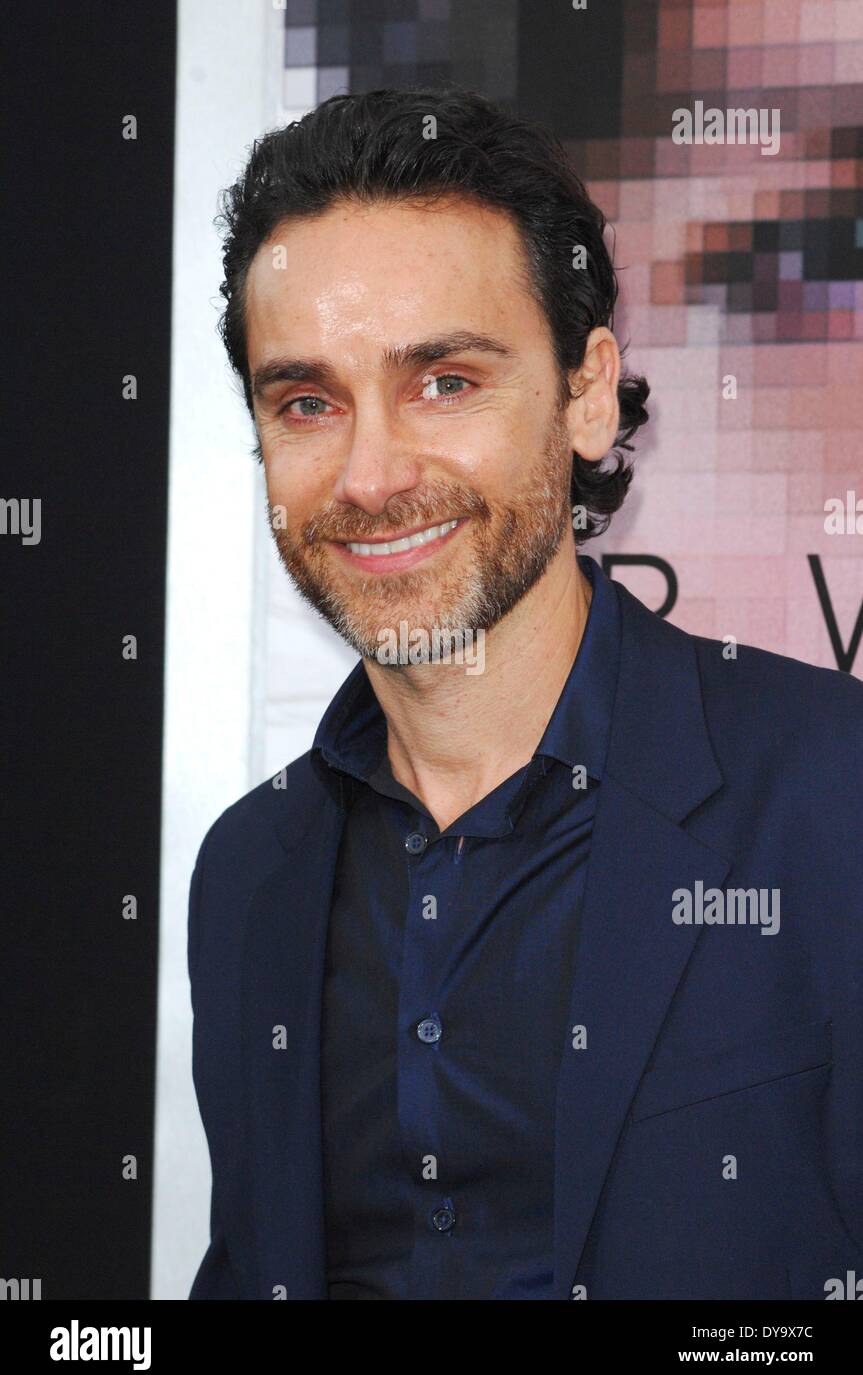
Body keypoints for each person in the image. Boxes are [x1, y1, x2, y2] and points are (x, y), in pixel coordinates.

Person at [188, 86, 862, 1300]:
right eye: (306, 402)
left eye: (444, 381)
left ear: (587, 391)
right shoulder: (248, 876)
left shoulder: (831, 795)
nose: (371, 471)